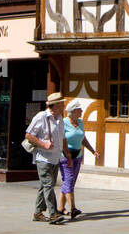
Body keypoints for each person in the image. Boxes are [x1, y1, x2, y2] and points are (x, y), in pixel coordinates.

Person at [24, 92, 67, 224]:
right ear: (55, 105)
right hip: (43, 158)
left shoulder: (59, 118)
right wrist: (43, 144)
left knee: (45, 186)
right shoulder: (41, 116)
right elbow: (28, 135)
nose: (64, 105)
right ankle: (53, 213)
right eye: (61, 103)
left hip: (55, 158)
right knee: (49, 185)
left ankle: (37, 213)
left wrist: (68, 155)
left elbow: (63, 139)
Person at [57, 102, 97, 221]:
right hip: (65, 156)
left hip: (78, 155)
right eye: (80, 109)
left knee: (69, 182)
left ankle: (60, 208)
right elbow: (61, 139)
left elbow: (83, 138)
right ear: (73, 111)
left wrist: (92, 150)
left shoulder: (79, 122)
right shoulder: (63, 123)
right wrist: (66, 153)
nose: (82, 111)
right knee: (68, 181)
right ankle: (73, 208)